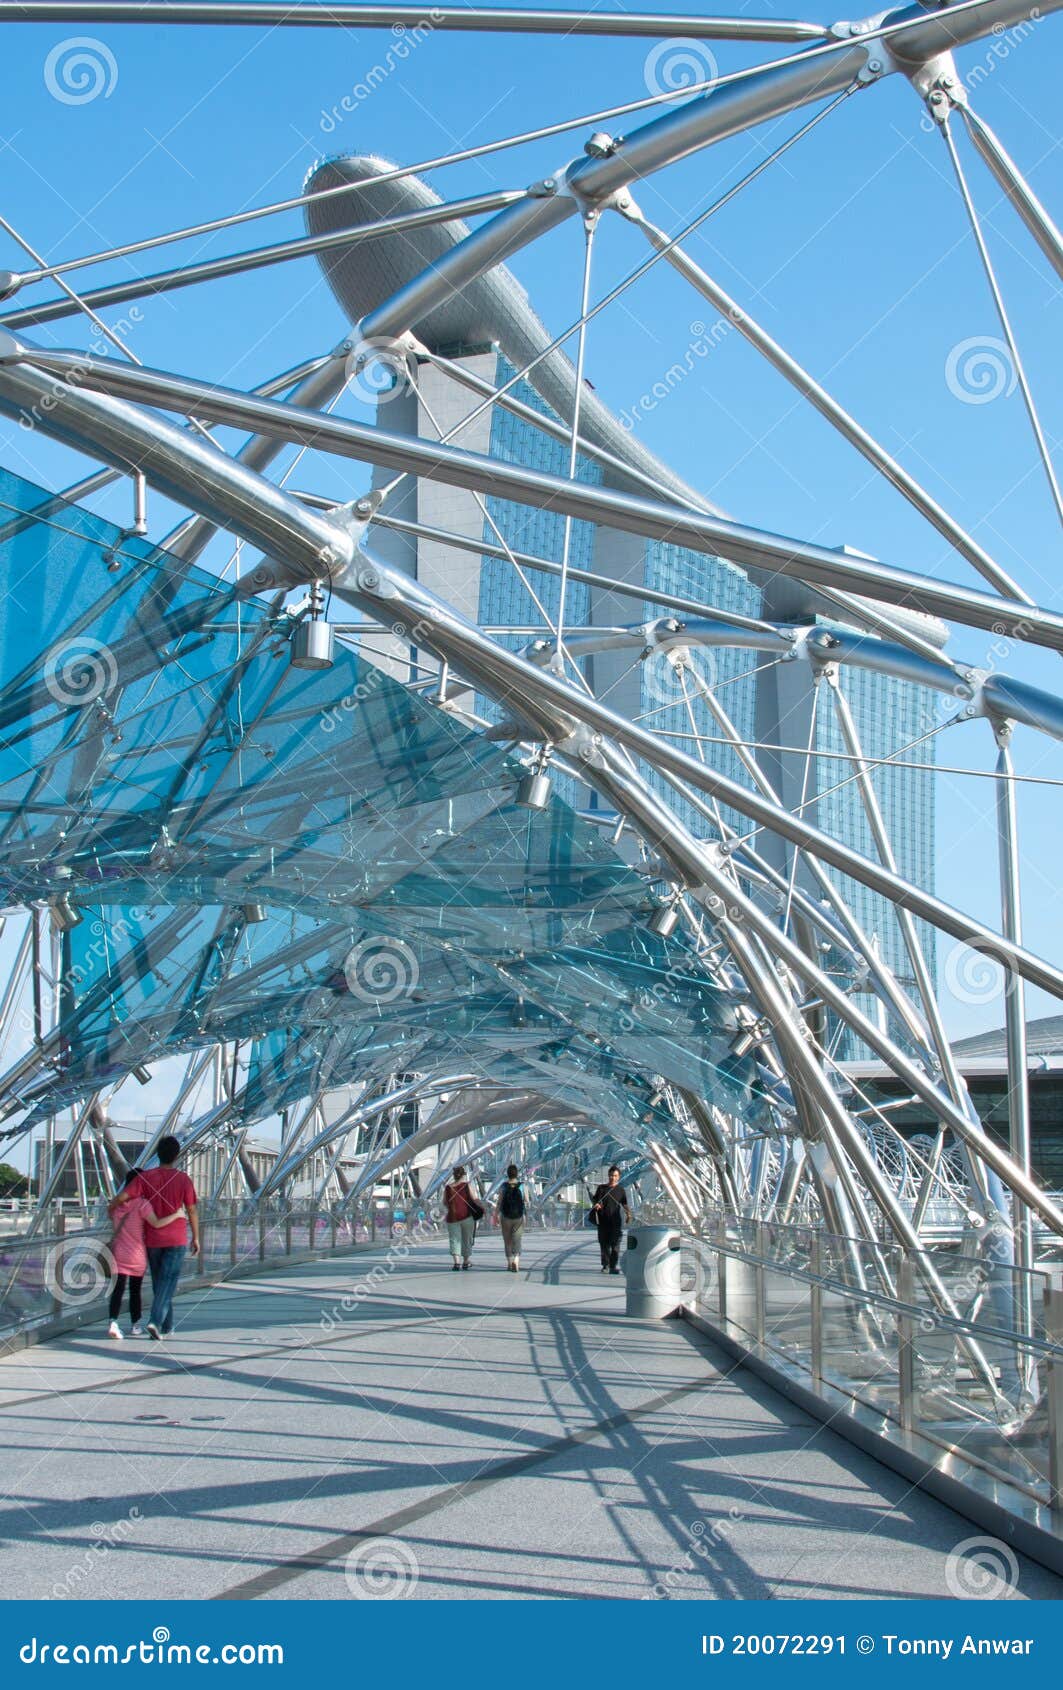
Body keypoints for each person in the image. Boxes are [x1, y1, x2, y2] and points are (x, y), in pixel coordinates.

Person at [127, 1136, 199, 1339]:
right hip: (176, 1238)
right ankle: (156, 1322)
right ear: (176, 1156)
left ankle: (167, 1327)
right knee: (167, 1283)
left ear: (157, 1154)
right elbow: (191, 1210)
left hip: (153, 1239)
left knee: (161, 1283)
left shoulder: (145, 1178)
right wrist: (196, 1237)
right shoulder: (183, 1179)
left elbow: (125, 1196)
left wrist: (112, 1208)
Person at [105, 1173, 187, 1340]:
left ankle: (113, 1321)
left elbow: (110, 1214)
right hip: (137, 1254)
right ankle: (135, 1325)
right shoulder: (142, 1204)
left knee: (117, 1289)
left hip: (118, 1253)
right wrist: (177, 1215)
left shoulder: (116, 1206)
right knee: (135, 1290)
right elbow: (156, 1223)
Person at [590, 1166, 632, 1274]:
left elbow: (624, 1204)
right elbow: (595, 1200)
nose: (612, 1178)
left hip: (616, 1222)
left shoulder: (621, 1190)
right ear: (608, 1176)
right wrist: (596, 1205)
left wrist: (628, 1214)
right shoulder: (601, 1188)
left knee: (615, 1245)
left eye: (615, 1176)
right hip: (603, 1221)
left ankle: (613, 1266)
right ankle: (605, 1266)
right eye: (611, 1175)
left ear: (619, 1177)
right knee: (604, 1244)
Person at [443, 1165, 482, 1271]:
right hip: (467, 1216)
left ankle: (456, 1263)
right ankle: (466, 1261)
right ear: (463, 1175)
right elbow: (475, 1199)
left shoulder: (448, 1188)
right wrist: (481, 1207)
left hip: (452, 1217)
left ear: (454, 1175)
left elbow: (445, 1202)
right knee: (467, 1239)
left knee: (454, 1239)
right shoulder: (467, 1186)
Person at [495, 1164, 526, 1273]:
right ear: (517, 1174)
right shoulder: (522, 1186)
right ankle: (516, 1260)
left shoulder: (503, 1186)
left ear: (507, 1174)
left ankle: (509, 1263)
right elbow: (526, 1200)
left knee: (507, 1240)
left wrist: (495, 1215)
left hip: (505, 1216)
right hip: (519, 1217)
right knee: (517, 1239)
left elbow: (499, 1202)